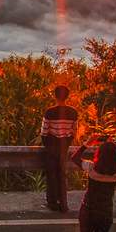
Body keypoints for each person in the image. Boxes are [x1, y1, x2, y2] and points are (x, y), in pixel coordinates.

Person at [40, 85, 79, 213]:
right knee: (62, 175)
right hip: (64, 147)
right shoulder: (73, 112)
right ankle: (63, 203)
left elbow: (44, 132)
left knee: (52, 175)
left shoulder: (49, 112)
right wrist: (67, 143)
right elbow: (74, 132)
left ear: (55, 96)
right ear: (67, 96)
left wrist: (48, 146)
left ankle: (52, 203)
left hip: (51, 146)